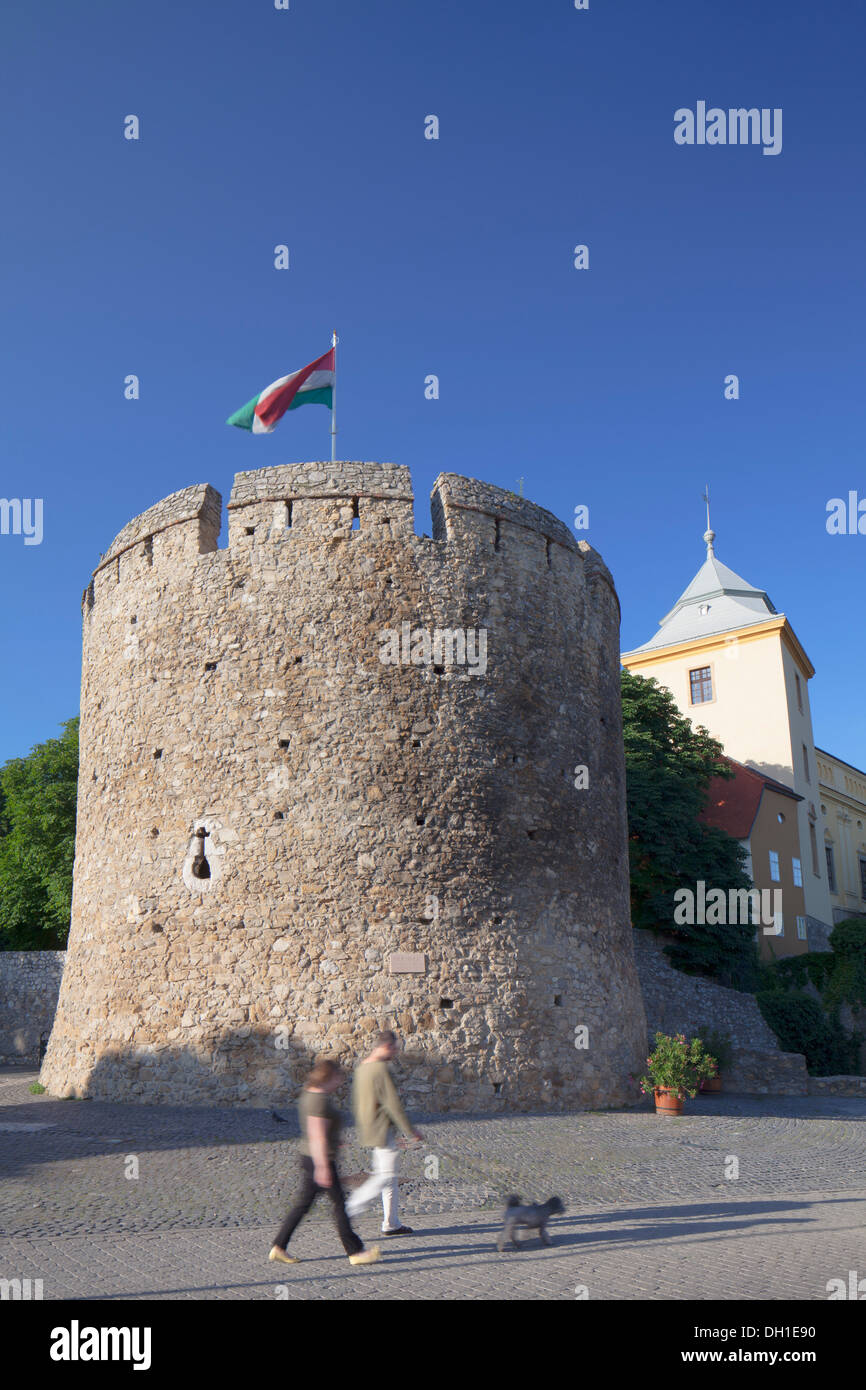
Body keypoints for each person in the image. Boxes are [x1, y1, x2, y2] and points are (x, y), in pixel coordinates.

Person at [268, 1058, 380, 1266]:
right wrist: (322, 1167)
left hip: (314, 1157)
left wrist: (336, 1140)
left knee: (303, 1205)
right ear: (328, 1077)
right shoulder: (318, 1100)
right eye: (338, 1077)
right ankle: (355, 1252)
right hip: (319, 1160)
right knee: (339, 1205)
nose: (340, 1081)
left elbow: (322, 1132)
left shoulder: (310, 1094)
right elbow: (317, 1135)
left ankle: (279, 1246)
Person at [346, 1030, 423, 1237]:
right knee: (385, 1176)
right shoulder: (380, 1070)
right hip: (382, 1130)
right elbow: (393, 1105)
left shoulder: (362, 1068)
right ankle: (350, 1209)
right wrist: (410, 1131)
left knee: (389, 1177)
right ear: (386, 1046)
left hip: (372, 1129)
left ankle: (392, 1222)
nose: (396, 1053)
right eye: (395, 1048)